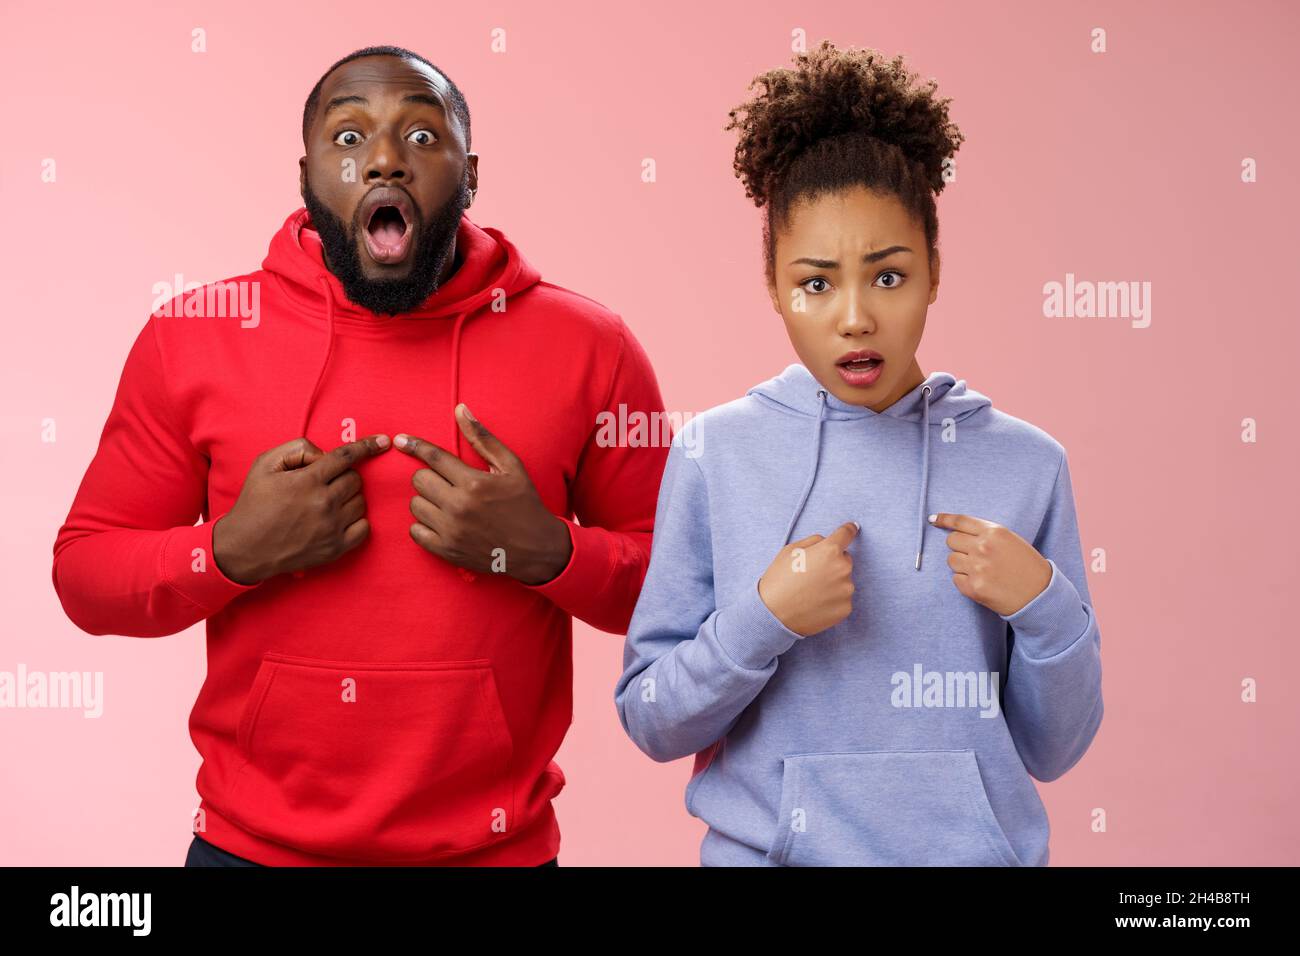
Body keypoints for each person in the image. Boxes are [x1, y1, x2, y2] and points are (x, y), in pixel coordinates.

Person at [51, 45, 668, 867]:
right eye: (348, 139)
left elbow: (681, 588)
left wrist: (552, 552)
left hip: (498, 854)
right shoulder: (191, 339)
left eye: (420, 136)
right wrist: (229, 550)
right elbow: (86, 577)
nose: (384, 159)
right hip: (250, 853)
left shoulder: (593, 346)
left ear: (471, 173)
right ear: (305, 174)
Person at [615, 40, 1103, 867]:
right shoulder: (714, 455)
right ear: (772, 283)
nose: (854, 318)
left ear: (935, 271)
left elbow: (1055, 750)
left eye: (887, 276)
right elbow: (653, 721)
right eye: (815, 282)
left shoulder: (1028, 464)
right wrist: (762, 620)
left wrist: (1045, 608)